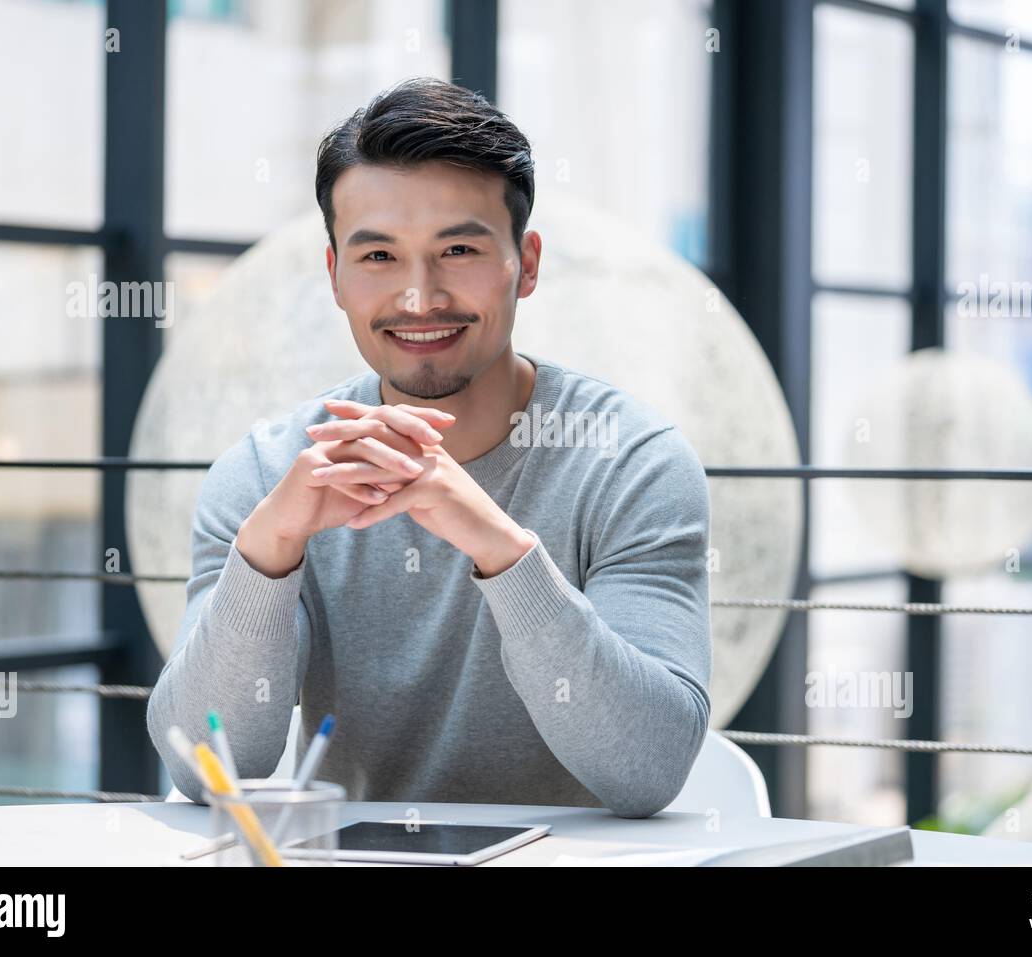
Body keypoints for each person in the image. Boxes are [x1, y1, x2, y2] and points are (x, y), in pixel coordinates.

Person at [146, 76, 712, 818]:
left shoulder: (631, 462)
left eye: (457, 249)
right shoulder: (265, 473)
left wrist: (501, 551)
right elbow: (209, 768)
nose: (419, 297)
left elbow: (649, 767)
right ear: (335, 276)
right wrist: (270, 551)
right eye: (378, 256)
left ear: (527, 263)